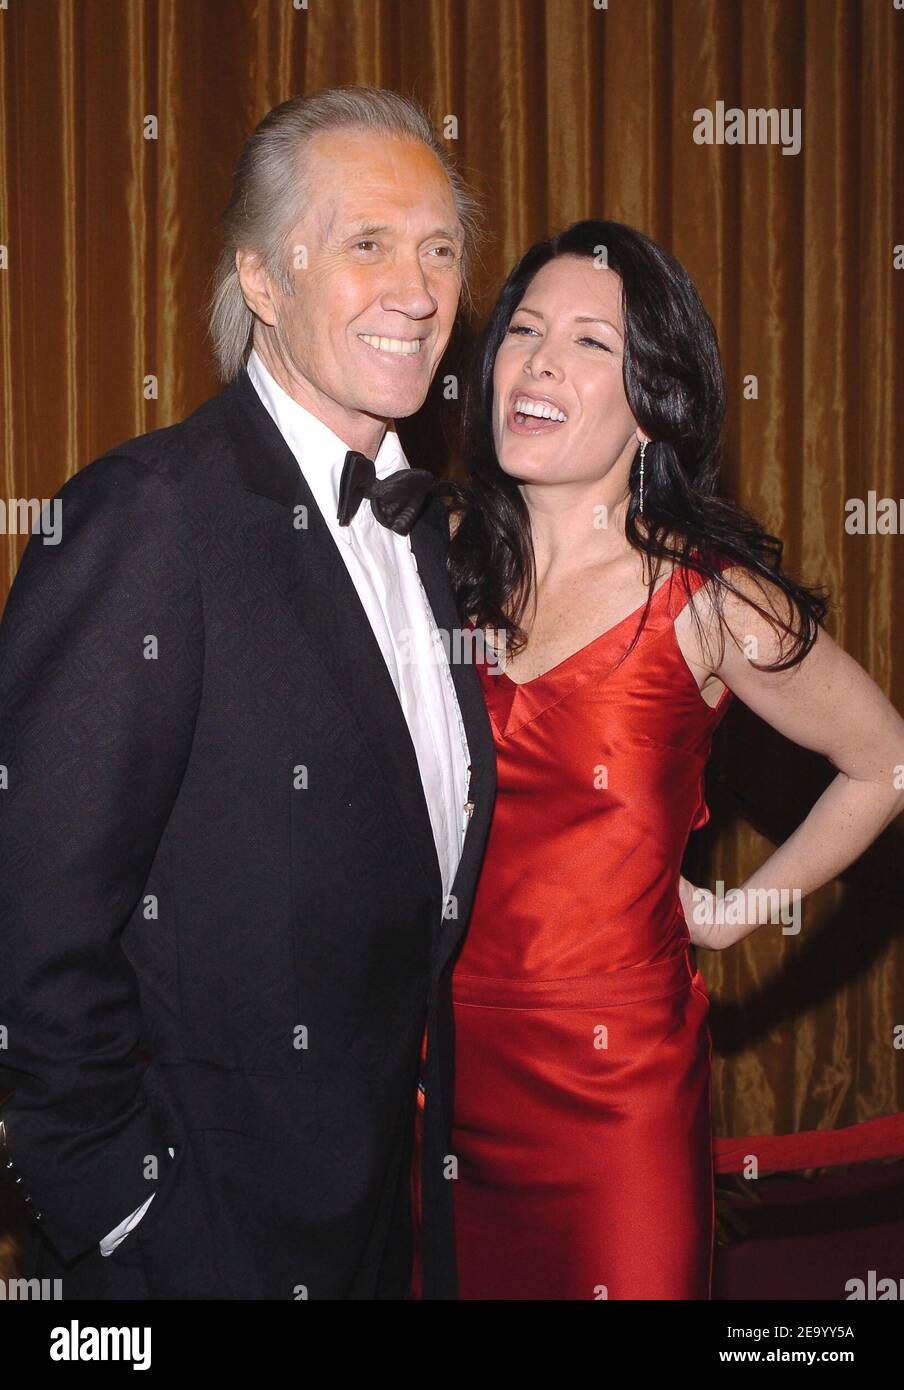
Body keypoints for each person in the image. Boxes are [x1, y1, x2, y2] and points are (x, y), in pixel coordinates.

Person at [0, 86, 496, 1300]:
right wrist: (116, 1212)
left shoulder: (427, 535)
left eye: (439, 249)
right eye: (366, 242)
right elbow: (30, 911)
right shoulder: (149, 517)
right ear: (261, 281)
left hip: (378, 1227)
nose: (419, 288)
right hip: (191, 1245)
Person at [435, 219, 904, 1299]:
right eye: (524, 330)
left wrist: (735, 913)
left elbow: (883, 759)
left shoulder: (706, 600)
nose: (541, 360)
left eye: (592, 342)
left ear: (654, 403)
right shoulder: (433, 568)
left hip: (614, 1103)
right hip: (433, 1084)